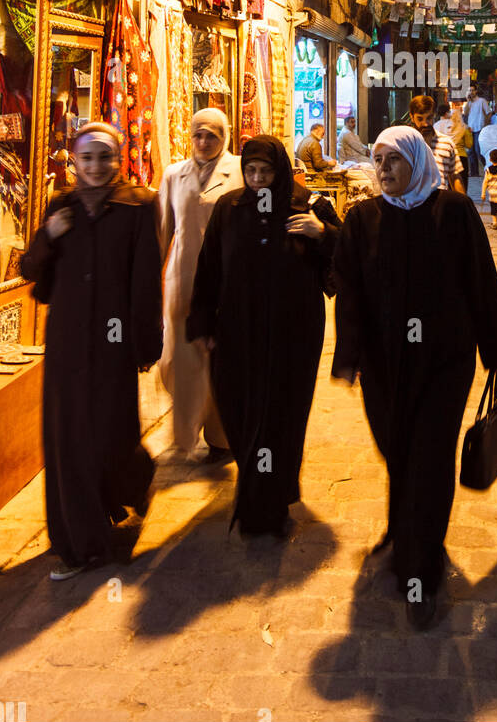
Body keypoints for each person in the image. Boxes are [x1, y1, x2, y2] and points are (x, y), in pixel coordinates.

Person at [332, 127, 497, 629]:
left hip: (443, 364)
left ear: (417, 160)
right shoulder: (362, 220)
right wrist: (347, 356)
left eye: (394, 159)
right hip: (384, 367)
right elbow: (348, 294)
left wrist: (495, 349)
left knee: (429, 461)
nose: (384, 168)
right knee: (399, 452)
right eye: (378, 159)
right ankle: (400, 530)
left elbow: (481, 279)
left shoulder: (453, 213)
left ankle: (422, 572)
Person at [20, 122, 163, 580]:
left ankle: (129, 482)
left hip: (113, 341)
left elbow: (144, 281)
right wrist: (49, 235)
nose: (96, 167)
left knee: (111, 431)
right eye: (87, 158)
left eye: (105, 157)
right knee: (69, 441)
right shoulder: (61, 208)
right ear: (74, 162)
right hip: (66, 343)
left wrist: (146, 342)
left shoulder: (139, 206)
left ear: (119, 159)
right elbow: (31, 271)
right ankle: (80, 543)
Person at [186, 135, 340, 537]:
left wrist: (322, 233)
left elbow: (351, 258)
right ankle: (271, 484)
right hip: (237, 330)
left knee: (280, 415)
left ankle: (264, 505)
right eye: (251, 171)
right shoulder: (229, 208)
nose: (257, 179)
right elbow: (209, 268)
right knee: (238, 410)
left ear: (281, 171)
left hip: (293, 333)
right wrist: (201, 323)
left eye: (266, 172)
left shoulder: (308, 205)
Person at [157, 108, 243, 463]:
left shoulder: (239, 170)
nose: (205, 142)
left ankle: (221, 437)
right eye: (198, 135)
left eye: (212, 135)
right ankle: (187, 430)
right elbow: (161, 231)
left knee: (222, 360)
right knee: (179, 358)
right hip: (184, 279)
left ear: (225, 135)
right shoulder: (174, 174)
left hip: (227, 281)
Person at [408, 95, 464, 192]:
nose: (425, 124)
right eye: (420, 119)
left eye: (429, 118)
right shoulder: (405, 144)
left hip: (440, 202)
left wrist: (463, 203)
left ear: (434, 115)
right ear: (412, 117)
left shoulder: (446, 143)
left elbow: (455, 177)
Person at [464, 87, 491, 177]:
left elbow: (488, 113)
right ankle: (474, 172)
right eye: (469, 90)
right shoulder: (469, 103)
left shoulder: (482, 101)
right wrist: (468, 101)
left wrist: (485, 125)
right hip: (470, 129)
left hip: (480, 128)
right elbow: (466, 113)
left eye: (472, 90)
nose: (471, 92)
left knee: (478, 150)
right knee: (471, 151)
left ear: (476, 91)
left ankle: (489, 169)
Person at [447, 101, 473, 192]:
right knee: (463, 182)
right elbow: (469, 145)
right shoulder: (464, 128)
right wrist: (470, 133)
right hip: (462, 157)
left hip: (450, 157)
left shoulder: (448, 129)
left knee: (451, 182)